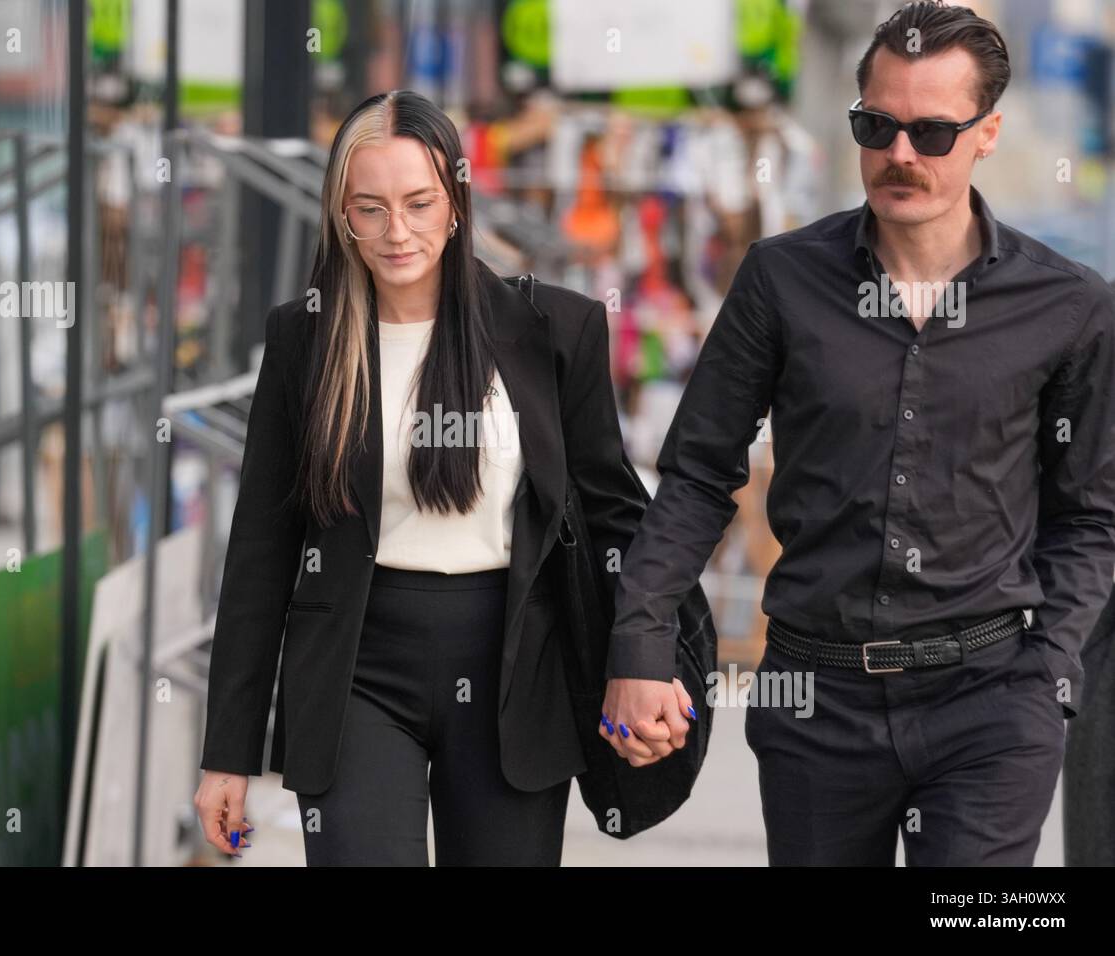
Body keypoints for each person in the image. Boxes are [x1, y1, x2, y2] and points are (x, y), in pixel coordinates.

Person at [603, 0, 1115, 865]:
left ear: (987, 134)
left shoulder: (1069, 306)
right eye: (876, 126)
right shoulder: (780, 280)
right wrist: (640, 642)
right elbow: (695, 474)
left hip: (993, 704)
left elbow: (1092, 514)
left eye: (932, 133)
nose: (900, 154)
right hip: (816, 703)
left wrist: (1049, 672)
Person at [193, 89, 686, 865]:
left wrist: (646, 659)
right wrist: (227, 750)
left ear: (455, 201)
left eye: (419, 203)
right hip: (355, 667)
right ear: (341, 215)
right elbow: (261, 549)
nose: (398, 232)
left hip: (515, 667)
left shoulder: (554, 329)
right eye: (371, 208)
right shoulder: (306, 340)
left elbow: (615, 517)